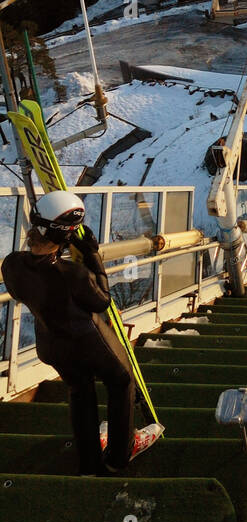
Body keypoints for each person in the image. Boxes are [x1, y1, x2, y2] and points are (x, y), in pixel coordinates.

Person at [1, 191, 158, 475]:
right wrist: (92, 255)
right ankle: (120, 455)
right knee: (122, 383)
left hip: (51, 344)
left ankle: (89, 461)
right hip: (88, 341)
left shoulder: (12, 265)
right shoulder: (73, 274)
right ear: (67, 235)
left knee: (79, 390)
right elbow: (102, 300)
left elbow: (22, 288)